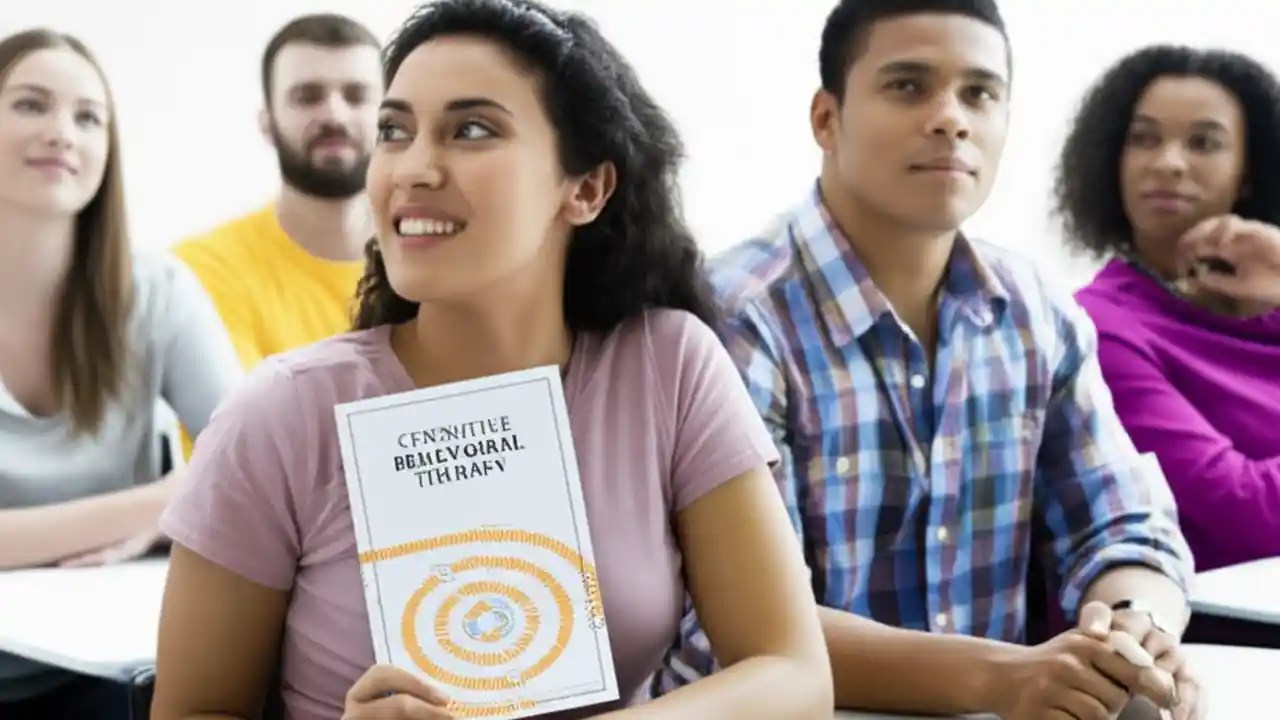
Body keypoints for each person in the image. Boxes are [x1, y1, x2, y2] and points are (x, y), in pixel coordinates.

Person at [150, 1, 831, 719]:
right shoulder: (283, 414)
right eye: (394, 130)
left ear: (587, 188)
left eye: (472, 129)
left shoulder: (669, 367)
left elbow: (792, 673)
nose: (412, 167)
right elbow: (189, 709)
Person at [653, 2, 1202, 719]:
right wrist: (1004, 677)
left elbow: (1125, 526)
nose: (951, 118)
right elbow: (738, 631)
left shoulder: (1035, 309)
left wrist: (1135, 628)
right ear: (826, 119)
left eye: (980, 93)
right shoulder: (735, 320)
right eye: (908, 86)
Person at [0, 29, 240, 717]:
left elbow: (255, 463)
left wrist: (182, 500)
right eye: (30, 105)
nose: (62, 133)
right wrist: (160, 502)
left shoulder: (158, 288)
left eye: (87, 116)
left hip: (111, 671)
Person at [1060, 45, 1280, 573]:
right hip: (1225, 633)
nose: (1168, 163)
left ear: (1247, 170)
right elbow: (1245, 508)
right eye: (1143, 139)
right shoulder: (1097, 327)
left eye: (1203, 142)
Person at [170, 14, 381, 423]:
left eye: (356, 95)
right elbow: (252, 445)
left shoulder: (437, 260)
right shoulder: (198, 272)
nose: (334, 114)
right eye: (307, 96)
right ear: (266, 122)